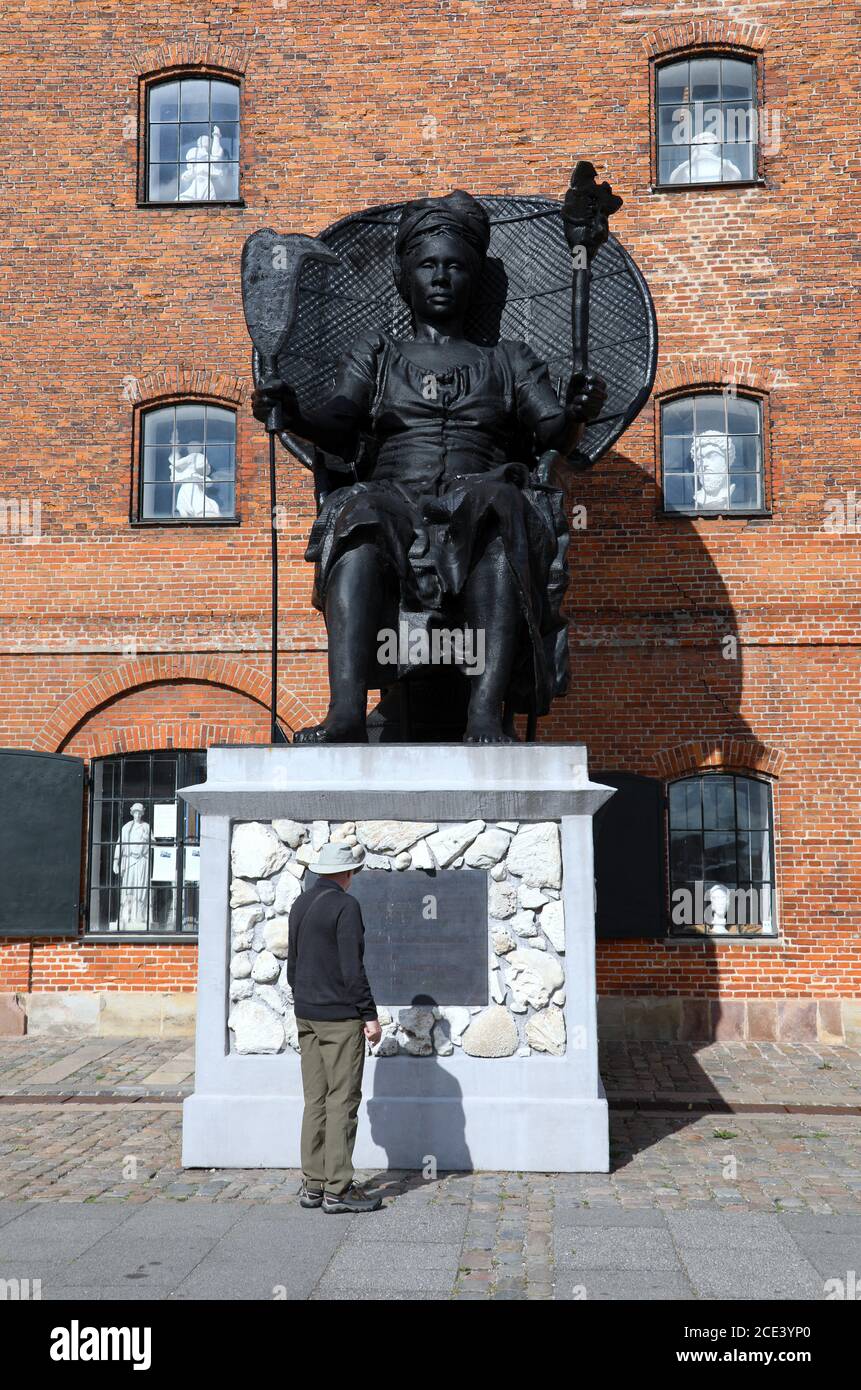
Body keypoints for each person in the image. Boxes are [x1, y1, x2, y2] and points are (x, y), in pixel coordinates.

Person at [252, 189, 606, 744]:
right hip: (396, 494)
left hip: (480, 488)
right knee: (355, 514)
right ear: (405, 278)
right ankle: (346, 710)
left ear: (473, 279)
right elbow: (340, 420)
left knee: (501, 508)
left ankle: (485, 712)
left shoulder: (508, 360)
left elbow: (552, 434)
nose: (441, 277)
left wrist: (579, 413)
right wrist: (295, 414)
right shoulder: (377, 352)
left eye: (456, 266)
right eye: (428, 265)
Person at [287, 841, 383, 1213]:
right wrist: (369, 1015)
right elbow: (352, 968)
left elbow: (293, 964)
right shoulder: (346, 906)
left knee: (316, 1101)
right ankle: (338, 1190)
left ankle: (313, 1184)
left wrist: (304, 1000)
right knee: (342, 1101)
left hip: (306, 1014)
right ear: (348, 873)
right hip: (339, 1018)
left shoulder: (301, 903)